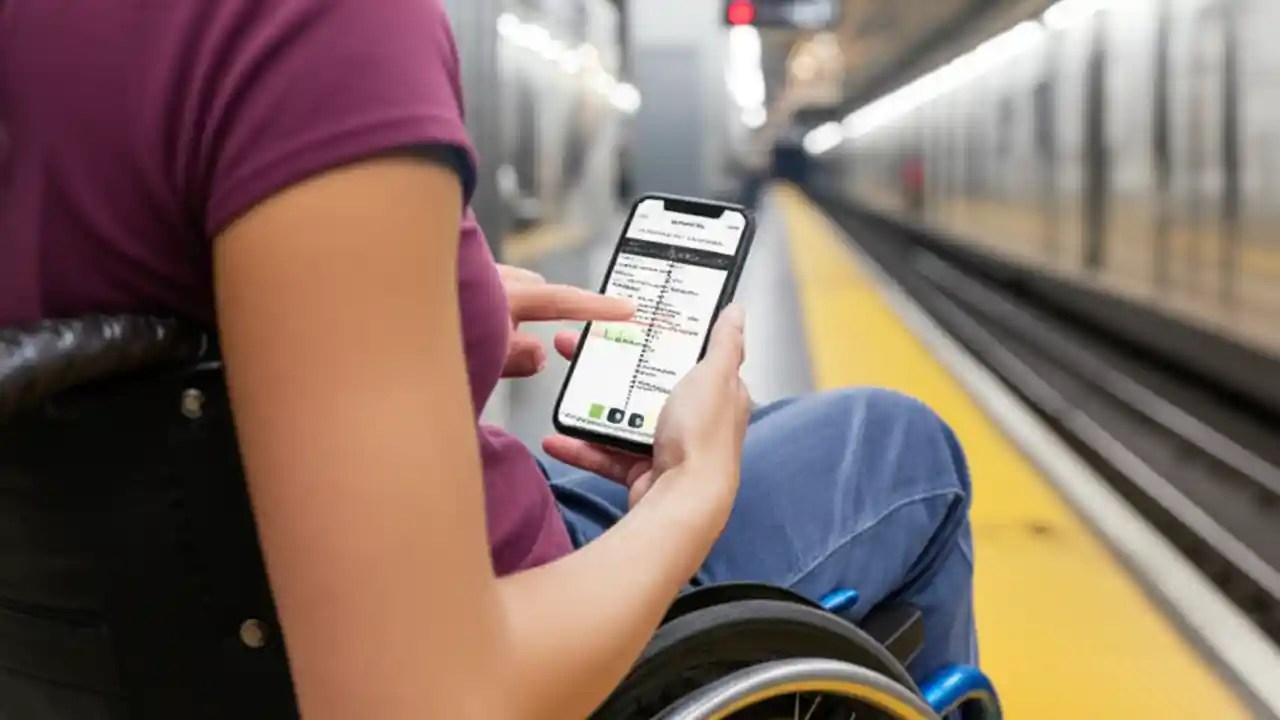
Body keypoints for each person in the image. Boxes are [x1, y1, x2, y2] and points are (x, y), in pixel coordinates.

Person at [0, 2, 976, 718]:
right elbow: (424, 704)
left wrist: (407, 312)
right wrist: (690, 493)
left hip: (162, 638)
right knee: (899, 450)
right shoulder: (312, 25)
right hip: (495, 625)